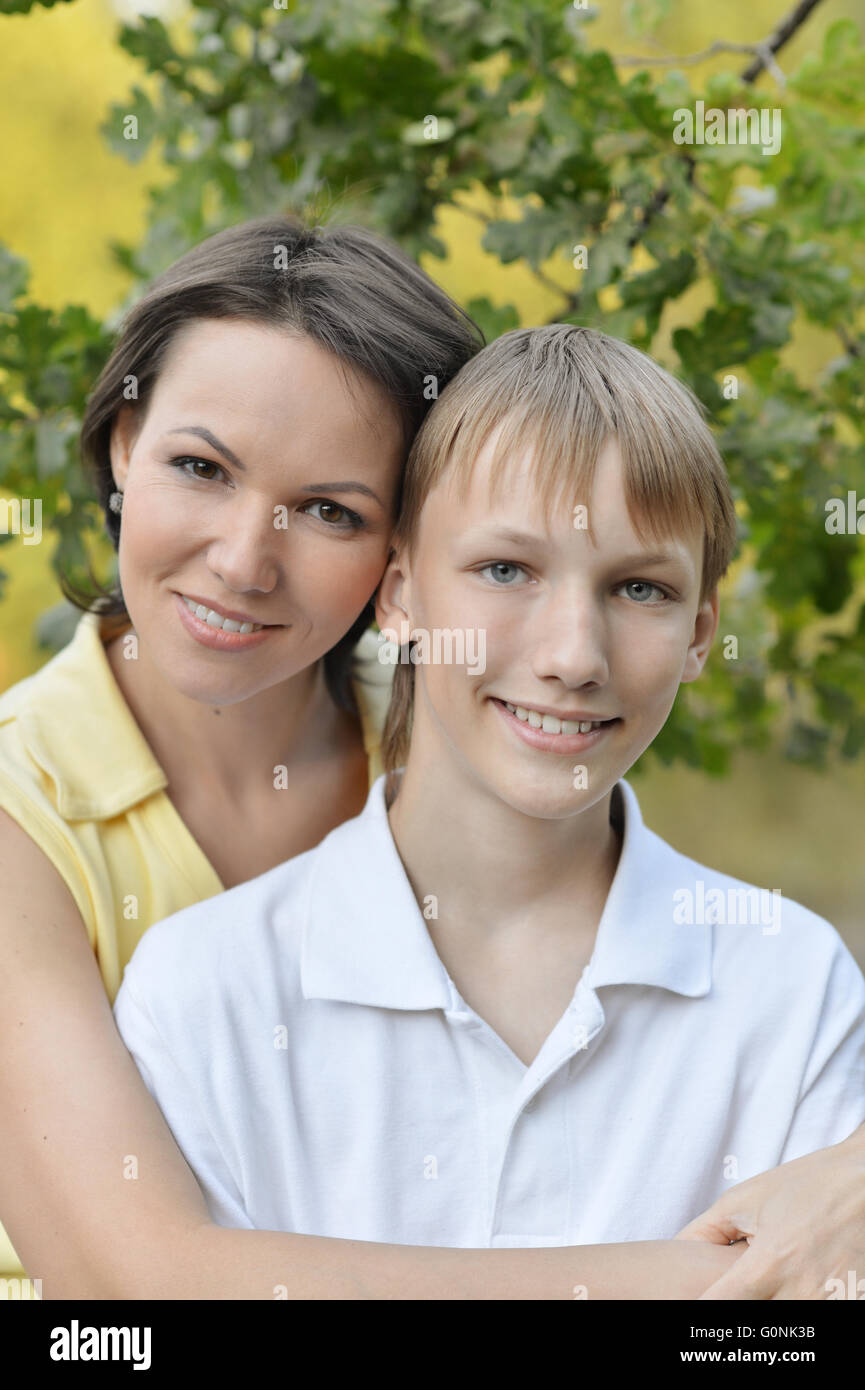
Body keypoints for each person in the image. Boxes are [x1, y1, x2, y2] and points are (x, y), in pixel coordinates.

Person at [0, 217, 732, 1301]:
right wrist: (722, 1272)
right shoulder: (26, 809)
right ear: (121, 445)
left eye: (329, 511)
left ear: (406, 557)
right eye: (200, 467)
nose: (244, 561)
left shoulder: (473, 724)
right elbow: (135, 1280)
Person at [113, 325, 865, 1294]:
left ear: (698, 633)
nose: (572, 655)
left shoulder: (793, 987)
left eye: (639, 587)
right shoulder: (206, 991)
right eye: (506, 570)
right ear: (398, 594)